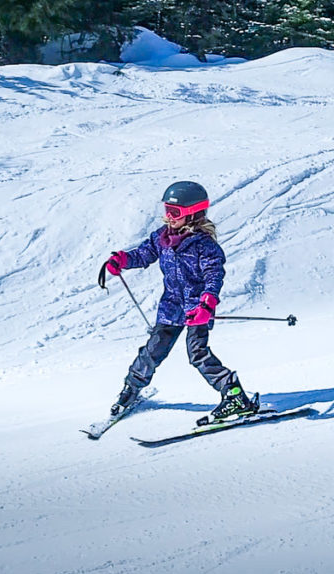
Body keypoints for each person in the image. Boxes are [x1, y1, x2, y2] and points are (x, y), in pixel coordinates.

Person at [100, 180, 254, 421]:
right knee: (152, 351)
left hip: (197, 309)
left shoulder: (204, 246)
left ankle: (234, 395)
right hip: (171, 307)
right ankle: (131, 388)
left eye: (175, 212)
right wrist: (122, 260)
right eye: (167, 211)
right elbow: (142, 255)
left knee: (198, 354)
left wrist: (207, 303)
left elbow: (214, 275)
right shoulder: (161, 238)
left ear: (193, 214)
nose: (169, 217)